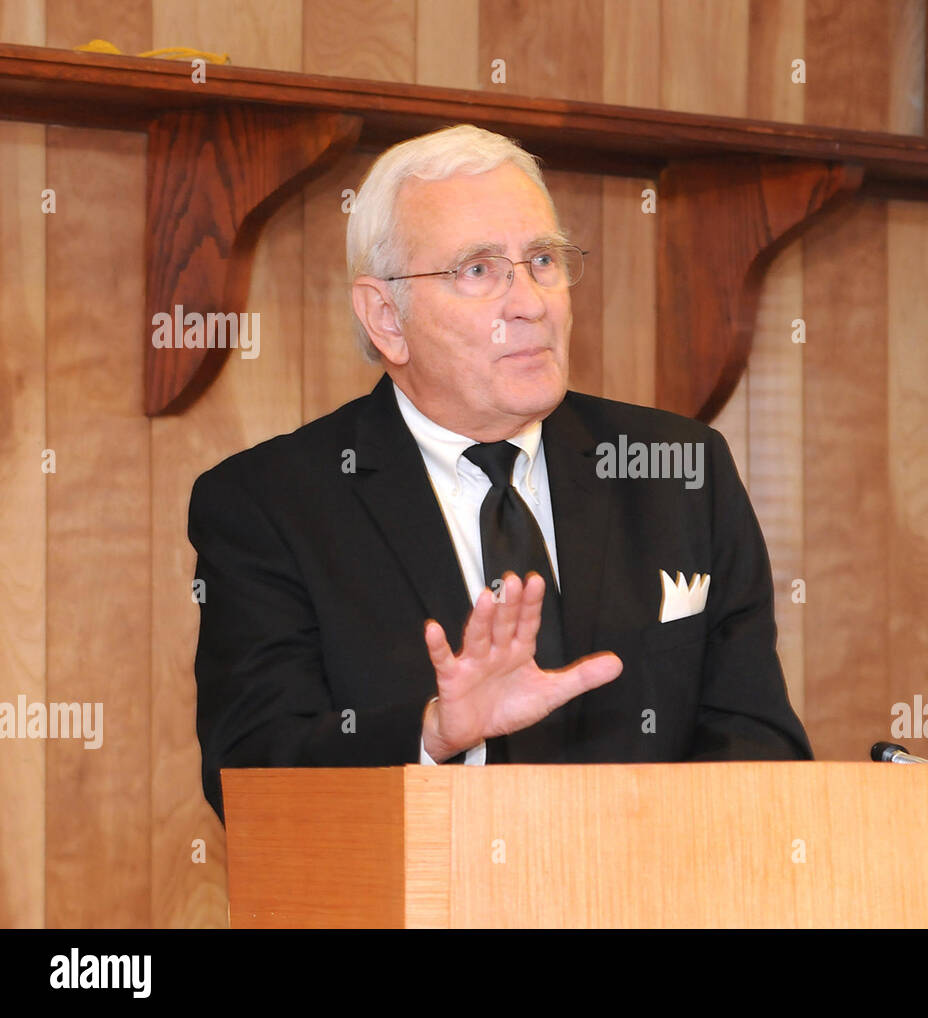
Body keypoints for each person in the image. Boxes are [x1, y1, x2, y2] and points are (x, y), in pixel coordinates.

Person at [189, 124, 812, 823]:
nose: (531, 302)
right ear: (385, 316)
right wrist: (433, 735)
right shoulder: (271, 504)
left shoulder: (679, 473)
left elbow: (761, 743)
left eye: (543, 259)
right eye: (479, 271)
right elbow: (253, 774)